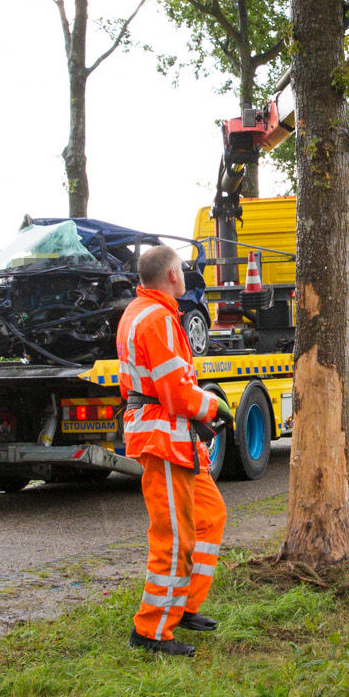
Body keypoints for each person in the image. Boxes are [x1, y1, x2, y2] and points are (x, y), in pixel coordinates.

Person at [118, 244, 234, 657]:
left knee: (209, 517)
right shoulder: (159, 318)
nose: (185, 275)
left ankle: (182, 605)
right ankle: (151, 631)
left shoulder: (142, 311)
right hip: (164, 439)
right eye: (182, 270)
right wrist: (212, 405)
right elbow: (174, 390)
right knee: (174, 536)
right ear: (171, 275)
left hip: (172, 438)